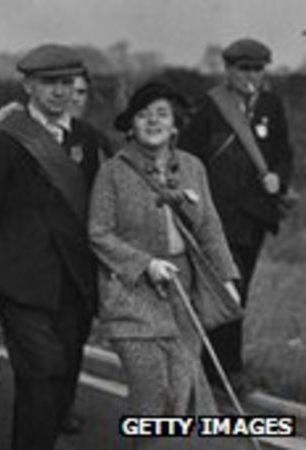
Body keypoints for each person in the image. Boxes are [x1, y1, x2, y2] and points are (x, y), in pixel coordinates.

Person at [89, 82, 241, 449]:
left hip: (183, 295)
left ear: (175, 124)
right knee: (151, 395)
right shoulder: (113, 171)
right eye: (143, 115)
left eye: (162, 114)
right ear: (131, 126)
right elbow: (98, 232)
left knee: (183, 391)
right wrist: (145, 264)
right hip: (131, 297)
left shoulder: (193, 167)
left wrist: (226, 277)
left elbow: (210, 227)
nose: (152, 122)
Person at [0, 44, 101, 449]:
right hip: (21, 284)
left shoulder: (87, 138)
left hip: (75, 284)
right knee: (39, 380)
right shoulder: (6, 141)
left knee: (62, 383)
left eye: (66, 82)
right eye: (48, 83)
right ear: (28, 85)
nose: (59, 91)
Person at [179, 38, 293, 394]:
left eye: (258, 69)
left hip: (255, 216)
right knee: (227, 292)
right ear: (228, 70)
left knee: (235, 295)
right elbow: (185, 157)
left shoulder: (271, 105)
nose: (251, 76)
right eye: (244, 68)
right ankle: (225, 370)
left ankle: (211, 369)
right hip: (218, 217)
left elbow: (283, 153)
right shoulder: (209, 108)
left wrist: (279, 175)